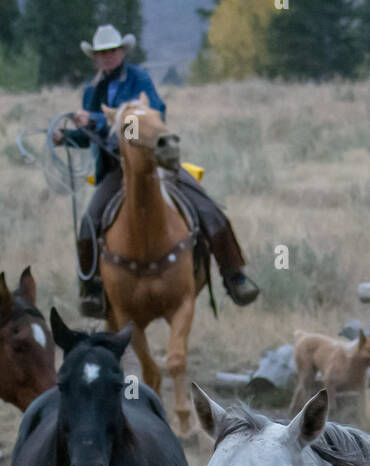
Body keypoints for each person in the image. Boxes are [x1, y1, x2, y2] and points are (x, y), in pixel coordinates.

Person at [55, 24, 258, 316]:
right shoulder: (91, 90)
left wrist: (97, 119)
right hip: (117, 171)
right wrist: (67, 138)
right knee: (89, 223)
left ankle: (234, 274)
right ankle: (92, 289)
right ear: (95, 57)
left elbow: (152, 116)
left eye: (112, 51)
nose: (108, 57)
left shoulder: (138, 78)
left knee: (208, 208)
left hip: (153, 162)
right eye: (102, 53)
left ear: (122, 51)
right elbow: (93, 138)